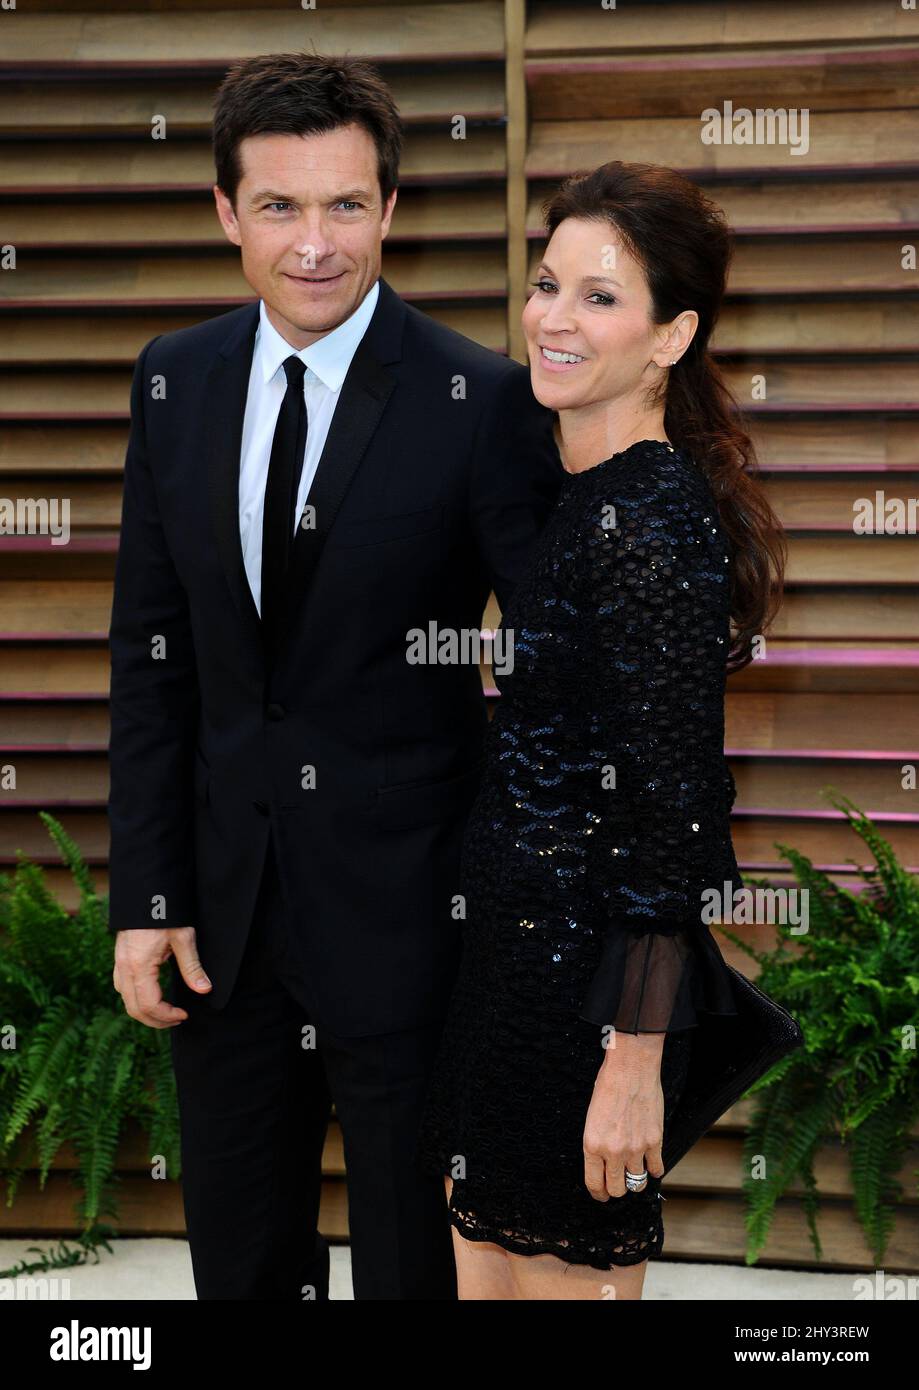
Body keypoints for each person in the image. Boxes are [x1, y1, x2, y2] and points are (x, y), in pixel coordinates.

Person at [107, 52, 562, 1301]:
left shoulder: (481, 398)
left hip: (417, 926)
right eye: (280, 207)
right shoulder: (174, 379)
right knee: (242, 1266)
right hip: (223, 929)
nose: (316, 245)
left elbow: (546, 677)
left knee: (415, 1269)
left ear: (391, 209)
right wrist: (146, 895)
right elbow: (152, 660)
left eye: (346, 205)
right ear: (225, 212)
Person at [416, 160, 787, 1300]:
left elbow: (671, 813)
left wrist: (633, 1060)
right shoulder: (590, 489)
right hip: (516, 969)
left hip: (584, 996)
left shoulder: (644, 522)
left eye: (599, 296)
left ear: (670, 336)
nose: (553, 319)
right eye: (545, 284)